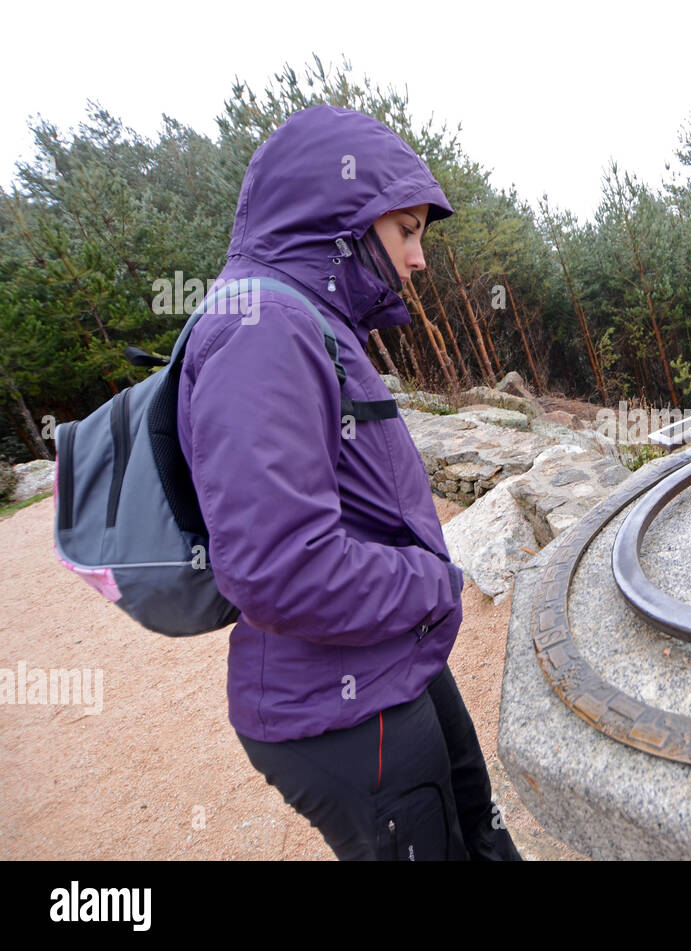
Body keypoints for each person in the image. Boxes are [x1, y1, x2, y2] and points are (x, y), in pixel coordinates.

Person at [176, 104, 521, 861]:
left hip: (385, 658)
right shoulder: (262, 328)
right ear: (343, 222)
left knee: (478, 827)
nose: (420, 259)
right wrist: (434, 583)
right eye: (406, 232)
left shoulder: (308, 320)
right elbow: (279, 565)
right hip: (336, 705)